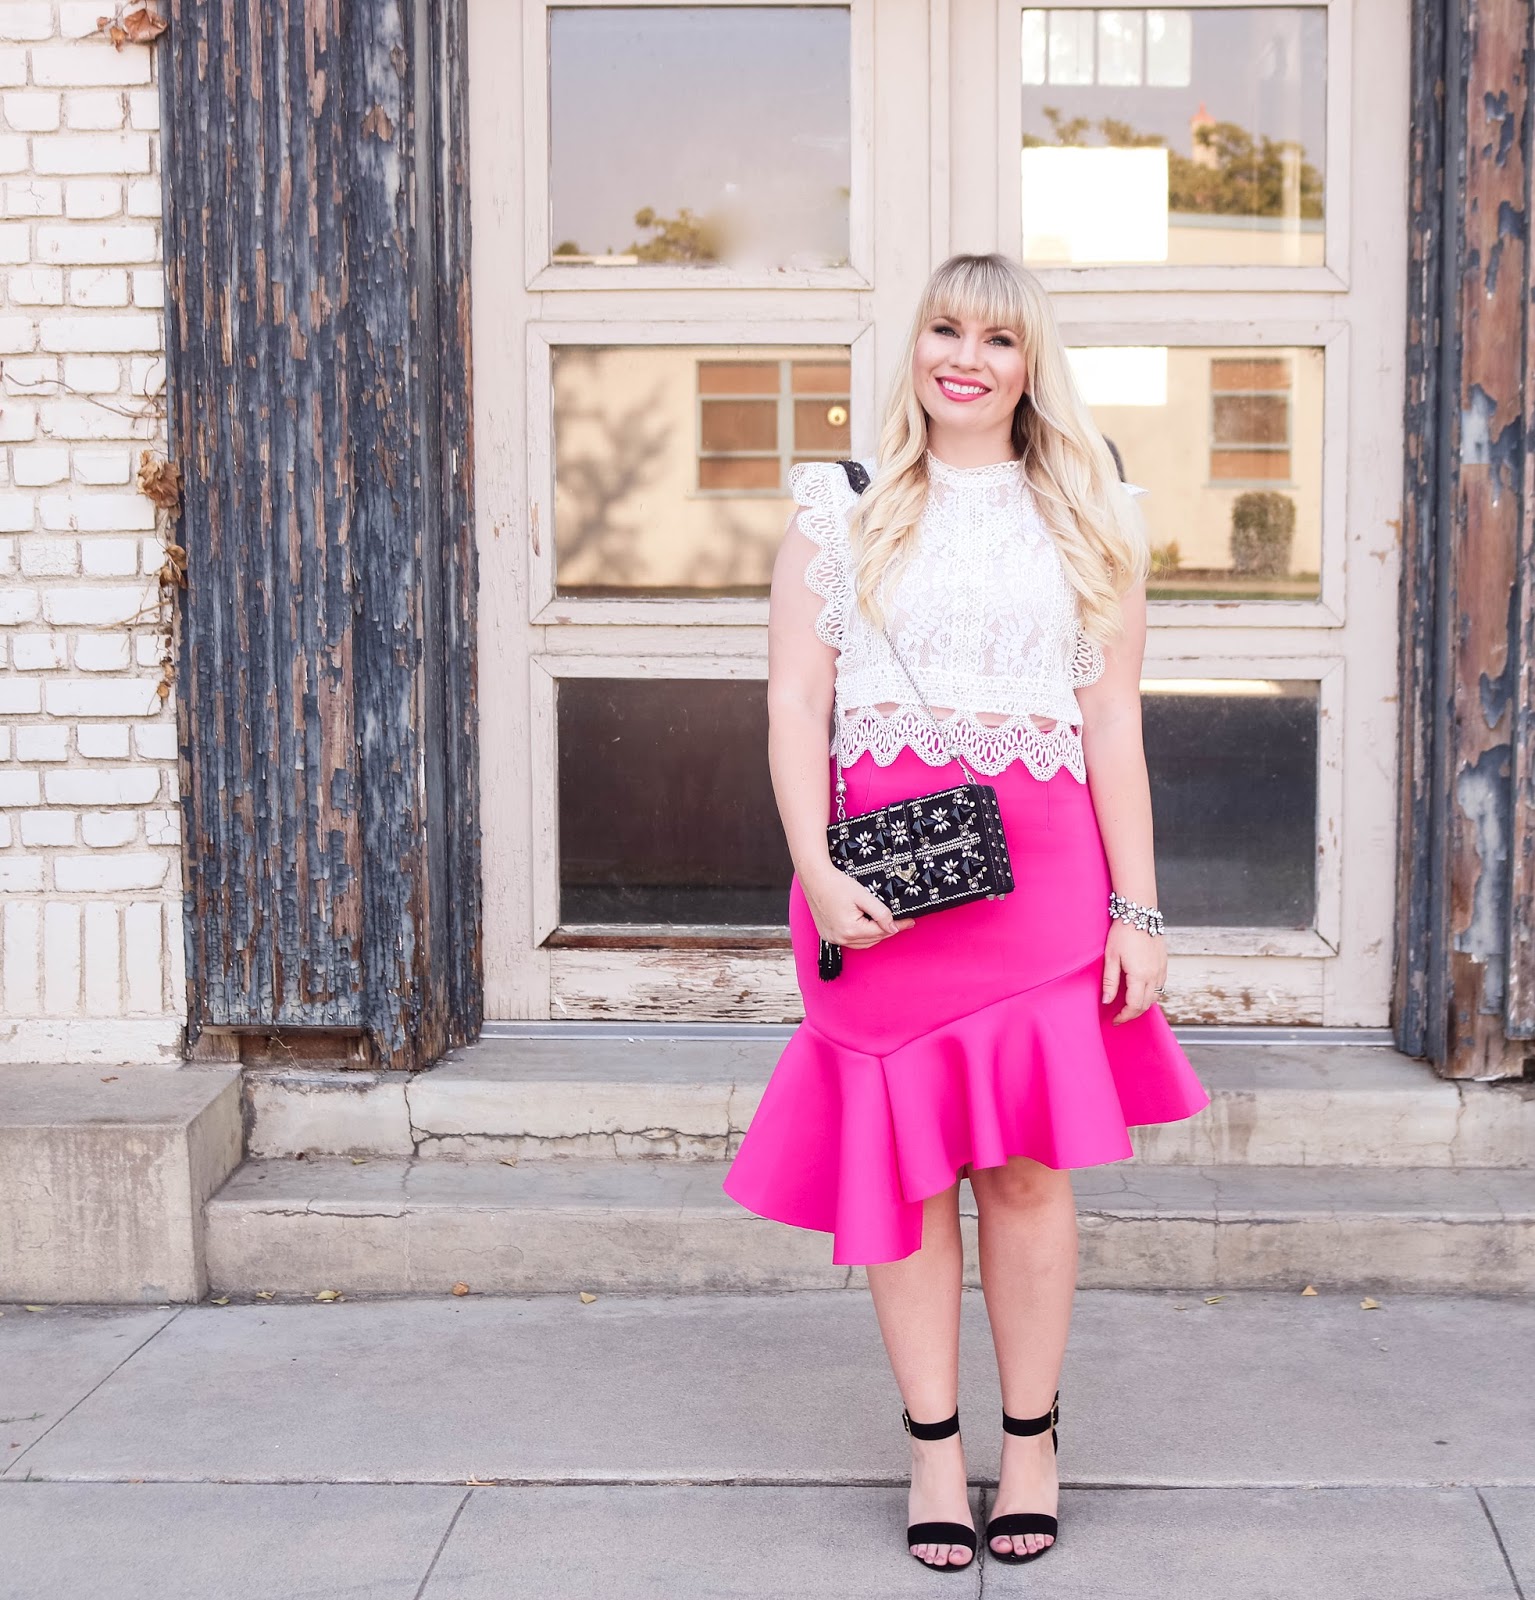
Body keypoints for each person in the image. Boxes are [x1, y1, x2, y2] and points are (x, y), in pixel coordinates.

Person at [722, 253, 1210, 1571]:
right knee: (906, 1168)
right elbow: (791, 708)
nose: (967, 356)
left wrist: (1141, 911)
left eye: (998, 338)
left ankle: (1034, 1439)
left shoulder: (1092, 511)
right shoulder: (841, 504)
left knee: (1027, 1166)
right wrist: (817, 868)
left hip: (1045, 882)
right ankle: (936, 1451)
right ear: (918, 349)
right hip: (878, 878)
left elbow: (1112, 722)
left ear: (1029, 364)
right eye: (945, 328)